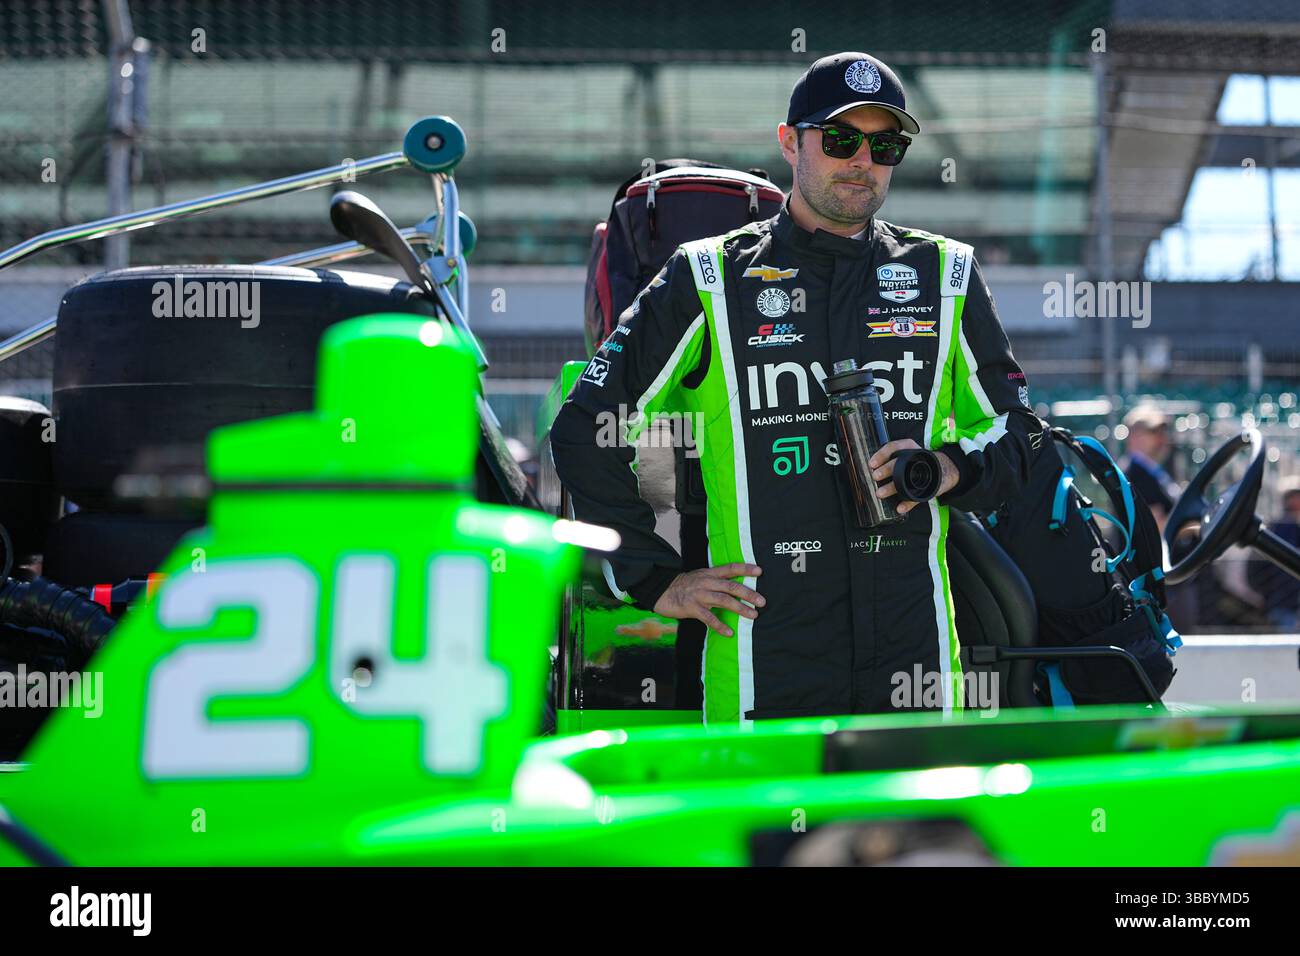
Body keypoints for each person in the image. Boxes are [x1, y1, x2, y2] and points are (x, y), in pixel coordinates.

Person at [550, 52, 1039, 725]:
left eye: (885, 145)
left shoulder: (945, 275)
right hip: (761, 670)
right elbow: (584, 428)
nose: (862, 161)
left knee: (910, 835)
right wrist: (653, 579)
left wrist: (946, 468)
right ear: (789, 142)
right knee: (772, 835)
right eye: (840, 139)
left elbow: (1021, 437)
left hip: (915, 669)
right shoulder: (708, 279)